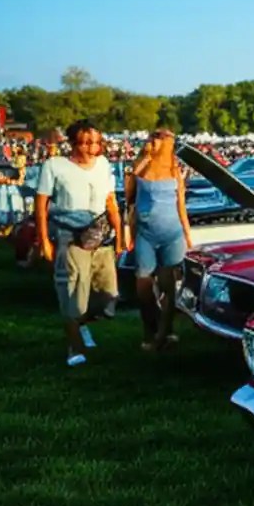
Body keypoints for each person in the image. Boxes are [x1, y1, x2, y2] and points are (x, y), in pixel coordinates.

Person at [35, 119, 123, 367]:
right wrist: (44, 240)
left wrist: (121, 233)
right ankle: (74, 347)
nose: (91, 148)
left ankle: (82, 323)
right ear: (73, 143)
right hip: (70, 235)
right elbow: (41, 205)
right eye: (85, 143)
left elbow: (110, 201)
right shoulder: (55, 166)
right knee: (74, 293)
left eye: (95, 142)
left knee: (109, 297)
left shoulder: (103, 164)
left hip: (100, 235)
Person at [126, 129, 192, 351]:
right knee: (143, 282)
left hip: (172, 233)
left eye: (162, 139)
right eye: (155, 137)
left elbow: (181, 205)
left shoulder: (175, 169)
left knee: (168, 285)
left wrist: (188, 235)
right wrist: (146, 156)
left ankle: (165, 332)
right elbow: (129, 196)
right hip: (145, 232)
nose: (156, 141)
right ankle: (150, 329)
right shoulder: (140, 166)